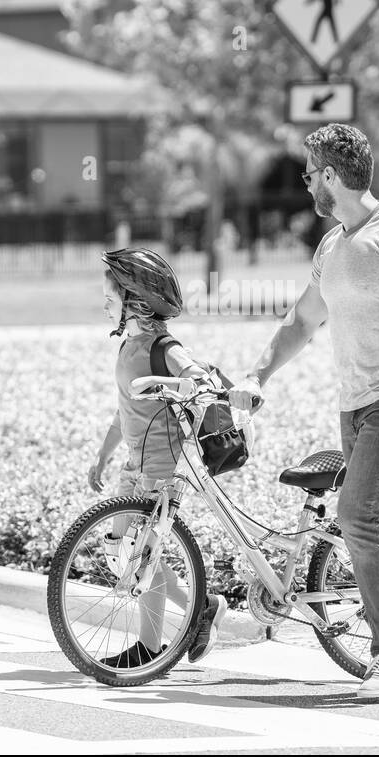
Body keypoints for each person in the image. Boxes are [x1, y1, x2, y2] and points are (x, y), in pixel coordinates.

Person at [230, 123, 379, 700]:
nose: (306, 182)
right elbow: (303, 321)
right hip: (354, 406)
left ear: (332, 175)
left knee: (356, 515)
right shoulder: (332, 246)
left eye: (310, 172)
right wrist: (257, 375)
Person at [88, 247, 227, 668]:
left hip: (162, 467)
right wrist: (101, 458)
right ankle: (203, 605)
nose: (104, 305)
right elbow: (123, 410)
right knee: (123, 551)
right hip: (135, 465)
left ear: (135, 302)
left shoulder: (163, 347)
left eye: (110, 298)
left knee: (143, 555)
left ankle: (150, 649)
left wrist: (184, 382)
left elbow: (199, 378)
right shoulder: (127, 347)